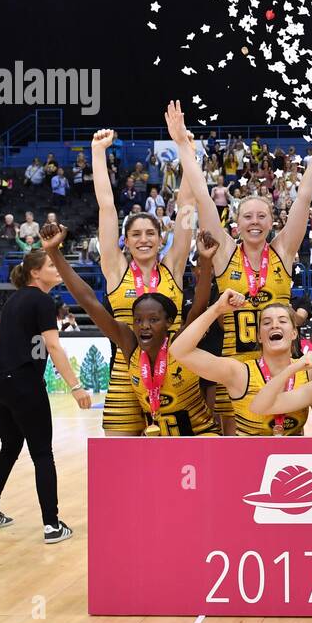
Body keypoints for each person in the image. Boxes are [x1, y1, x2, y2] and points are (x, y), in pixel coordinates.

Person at [169, 101, 312, 422]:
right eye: (247, 217)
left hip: (283, 370)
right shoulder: (226, 253)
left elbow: (304, 195)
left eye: (261, 216)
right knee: (236, 446)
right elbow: (202, 196)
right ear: (236, 223)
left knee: (287, 438)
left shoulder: (283, 251)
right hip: (235, 373)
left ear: (272, 221)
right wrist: (183, 144)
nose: (255, 222)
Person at [43, 224, 218, 436]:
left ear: (169, 322)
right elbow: (89, 301)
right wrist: (54, 252)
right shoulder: (129, 343)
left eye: (153, 320)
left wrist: (206, 261)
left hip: (199, 435)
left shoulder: (179, 343)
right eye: (138, 320)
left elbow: (199, 307)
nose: (144, 326)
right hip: (159, 436)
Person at [0, 247, 92, 543]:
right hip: (22, 381)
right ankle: (52, 525)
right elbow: (53, 346)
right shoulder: (42, 300)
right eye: (51, 265)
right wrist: (76, 386)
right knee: (42, 452)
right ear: (35, 273)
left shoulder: (13, 300)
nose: (57, 268)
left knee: (10, 445)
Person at [89, 126, 196, 435]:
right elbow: (106, 206)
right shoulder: (115, 268)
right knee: (119, 456)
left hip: (175, 374)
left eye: (150, 233)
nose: (144, 239)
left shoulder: (174, 266)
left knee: (180, 457)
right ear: (125, 241)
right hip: (126, 374)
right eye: (135, 234)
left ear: (162, 239)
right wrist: (98, 152)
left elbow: (187, 204)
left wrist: (187, 152)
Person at [173, 292, 312, 436]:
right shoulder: (239, 373)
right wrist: (217, 309)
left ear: (294, 333)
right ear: (259, 336)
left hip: (292, 453)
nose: (274, 325)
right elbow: (179, 351)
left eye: (282, 321)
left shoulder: (308, 371)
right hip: (249, 453)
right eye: (267, 322)